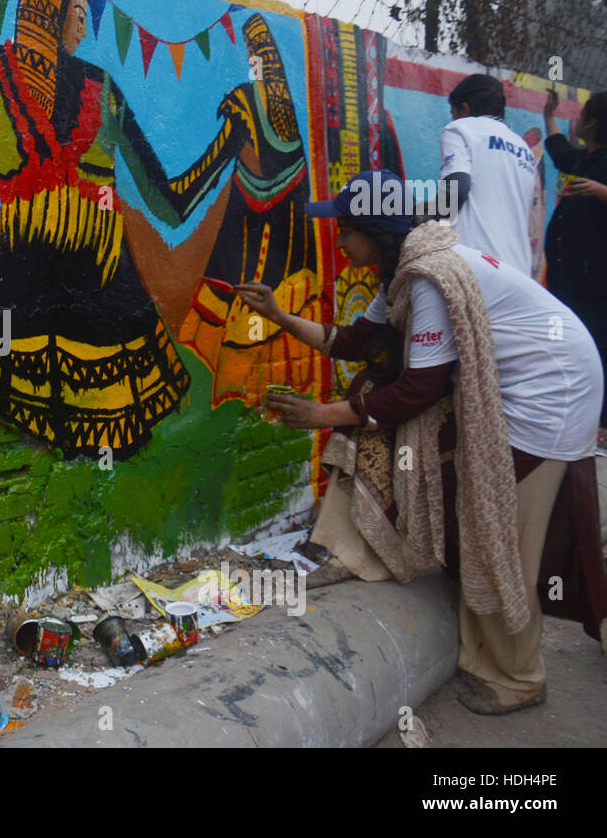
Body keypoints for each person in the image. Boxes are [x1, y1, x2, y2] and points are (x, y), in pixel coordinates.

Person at [0, 0, 319, 456]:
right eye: (74, 12)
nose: (81, 24)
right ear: (49, 13)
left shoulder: (92, 85)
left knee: (83, 451)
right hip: (48, 306)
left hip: (99, 310)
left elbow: (169, 202)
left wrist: (227, 143)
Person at [237, 169, 606, 715]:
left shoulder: (427, 280)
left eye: (344, 229)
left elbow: (418, 388)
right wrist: (278, 315)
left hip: (548, 395)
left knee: (500, 536)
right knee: (459, 500)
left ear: (373, 231)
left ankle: (520, 678)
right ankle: (419, 587)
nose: (337, 241)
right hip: (524, 383)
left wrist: (323, 414)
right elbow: (355, 343)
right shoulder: (403, 274)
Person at [542, 89, 607, 432]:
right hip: (568, 277)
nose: (577, 118)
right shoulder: (585, 158)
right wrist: (548, 115)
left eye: (582, 114)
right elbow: (558, 151)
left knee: (597, 345)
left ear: (593, 122)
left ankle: (600, 425)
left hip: (594, 280)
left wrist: (601, 192)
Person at [437, 74, 537, 273]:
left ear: (464, 109)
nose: (453, 118)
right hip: (519, 271)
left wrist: (430, 224)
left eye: (453, 112)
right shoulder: (524, 148)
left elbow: (458, 188)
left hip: (476, 263)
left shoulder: (460, 128)